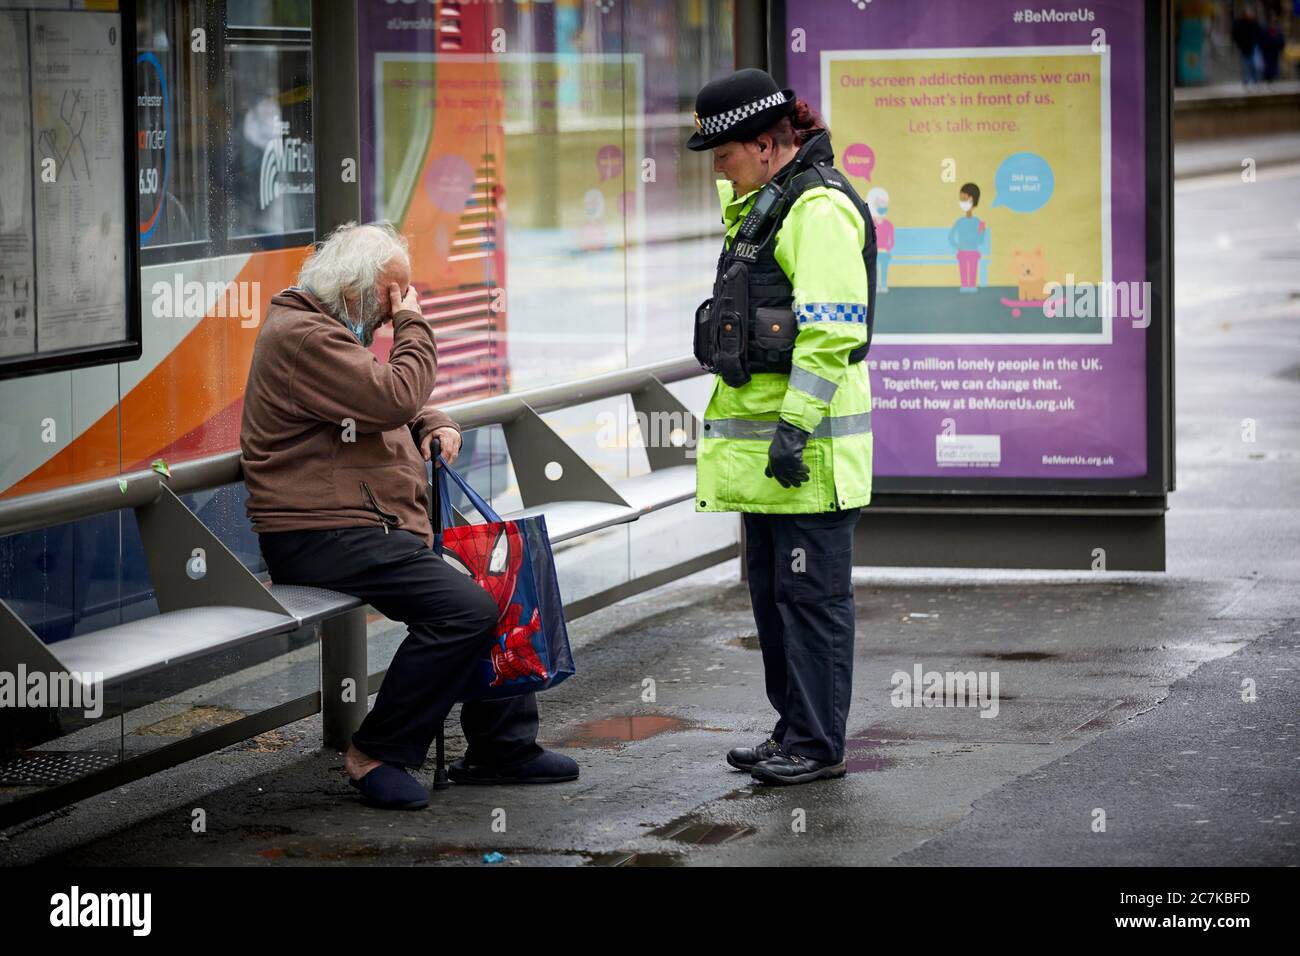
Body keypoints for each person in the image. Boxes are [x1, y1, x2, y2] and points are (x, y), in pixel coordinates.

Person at [239, 221, 577, 810]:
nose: (389, 318)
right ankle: (375, 751)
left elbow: (389, 402)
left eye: (397, 305)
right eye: (388, 302)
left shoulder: (328, 332)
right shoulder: (302, 336)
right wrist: (415, 325)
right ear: (352, 292)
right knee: (461, 609)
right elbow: (389, 395)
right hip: (320, 532)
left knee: (493, 581)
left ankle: (502, 746)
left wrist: (434, 421)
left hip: (367, 524)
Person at [688, 68, 875, 785]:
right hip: (772, 458)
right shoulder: (769, 201)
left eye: (725, 154)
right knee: (776, 602)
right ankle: (792, 729)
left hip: (809, 455)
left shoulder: (817, 210)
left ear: (766, 145)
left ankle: (817, 745)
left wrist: (795, 428)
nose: (718, 169)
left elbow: (830, 333)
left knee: (812, 602)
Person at [948, 182, 986, 293]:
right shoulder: (959, 221)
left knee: (973, 269)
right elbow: (950, 237)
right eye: (961, 199)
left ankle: (972, 285)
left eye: (965, 199)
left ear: (974, 201)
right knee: (963, 269)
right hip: (963, 251)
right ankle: (964, 285)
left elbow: (981, 241)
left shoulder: (978, 222)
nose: (963, 203)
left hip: (973, 251)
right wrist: (958, 246)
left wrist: (981, 231)